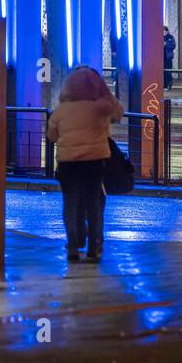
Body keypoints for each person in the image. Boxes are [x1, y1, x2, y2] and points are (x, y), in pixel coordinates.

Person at [47, 67, 123, 263]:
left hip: (68, 164)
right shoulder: (98, 107)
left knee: (70, 204)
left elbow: (52, 136)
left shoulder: (61, 110)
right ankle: (93, 247)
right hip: (94, 162)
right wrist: (104, 90)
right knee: (93, 203)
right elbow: (117, 112)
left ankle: (72, 244)